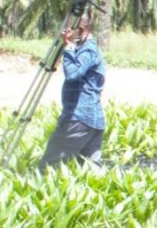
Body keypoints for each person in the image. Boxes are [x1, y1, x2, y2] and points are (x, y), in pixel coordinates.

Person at [38, 13, 106, 169]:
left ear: (81, 29)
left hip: (79, 118)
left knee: (48, 166)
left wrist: (68, 46)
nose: (64, 32)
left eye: (69, 29)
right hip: (93, 120)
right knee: (91, 169)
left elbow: (74, 74)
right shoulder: (85, 48)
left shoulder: (88, 50)